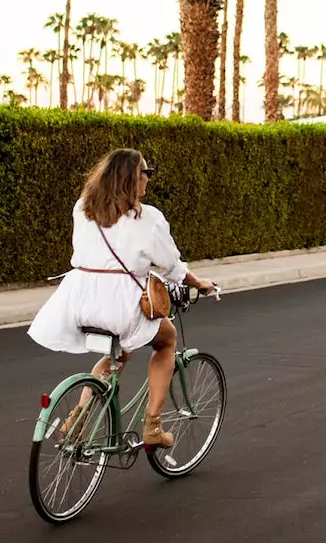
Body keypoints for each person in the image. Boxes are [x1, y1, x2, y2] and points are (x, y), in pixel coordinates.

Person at [27, 148, 215, 448]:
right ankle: (153, 425)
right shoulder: (148, 218)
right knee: (167, 339)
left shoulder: (82, 209)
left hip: (80, 300)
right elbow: (172, 265)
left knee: (117, 353)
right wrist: (199, 283)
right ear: (131, 178)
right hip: (119, 305)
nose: (148, 180)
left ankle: (78, 416)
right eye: (146, 173)